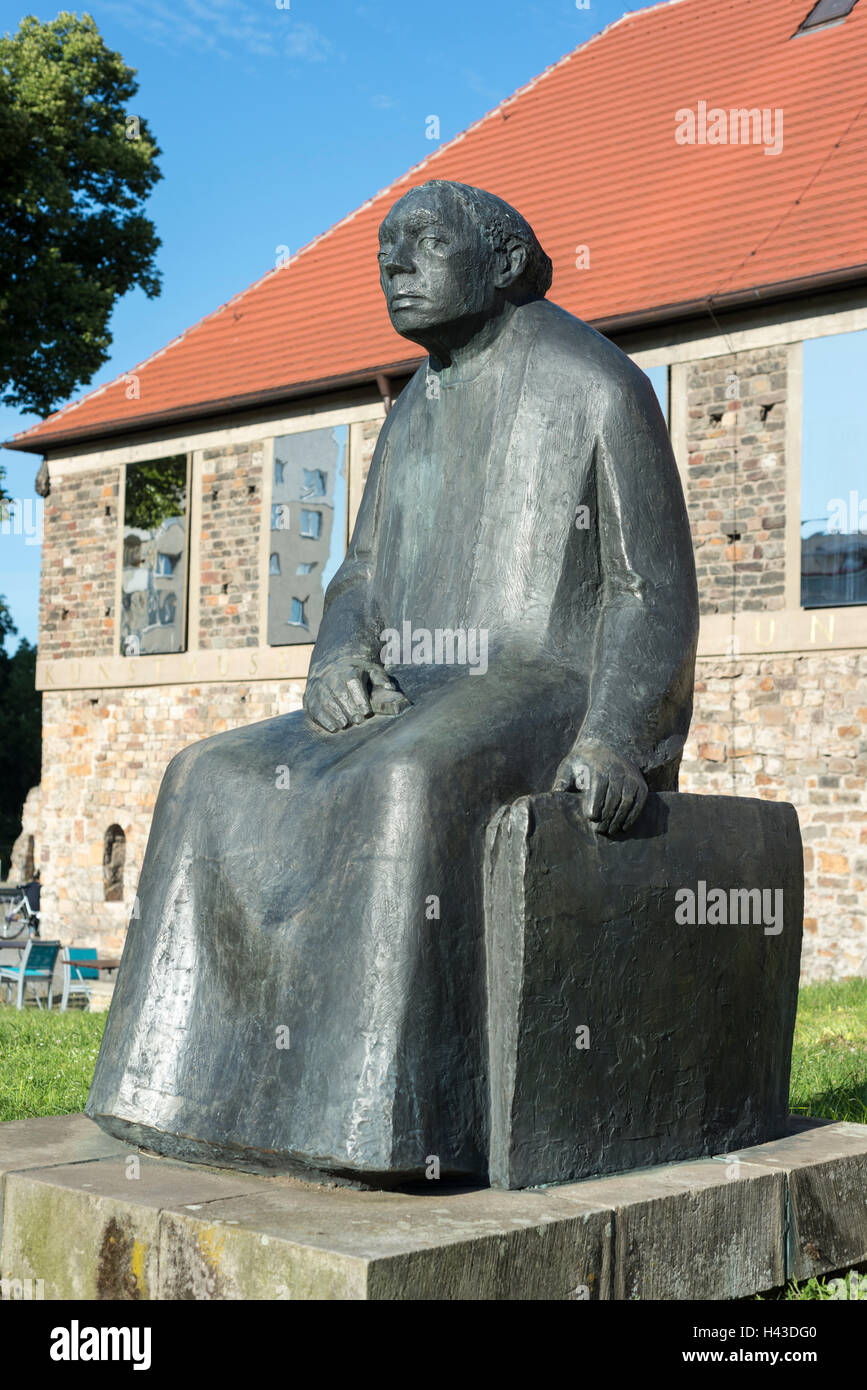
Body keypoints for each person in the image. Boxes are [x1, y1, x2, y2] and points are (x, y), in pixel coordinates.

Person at [88, 180, 699, 1184]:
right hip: (406, 684)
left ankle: (380, 1128)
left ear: (504, 262)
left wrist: (618, 737)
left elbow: (650, 588)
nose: (392, 264)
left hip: (542, 684)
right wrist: (336, 659)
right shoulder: (415, 403)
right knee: (204, 775)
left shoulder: (599, 386)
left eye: (419, 243)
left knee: (407, 779)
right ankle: (173, 1099)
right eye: (382, 249)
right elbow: (363, 572)